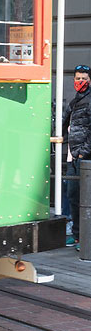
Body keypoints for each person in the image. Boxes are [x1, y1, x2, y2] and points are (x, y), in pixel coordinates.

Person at [64, 64, 91, 249]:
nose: (80, 81)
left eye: (83, 78)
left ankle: (85, 238)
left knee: (85, 198)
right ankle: (76, 235)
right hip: (73, 155)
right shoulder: (75, 101)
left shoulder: (89, 100)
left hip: (83, 156)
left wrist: (84, 151)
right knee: (73, 195)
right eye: (77, 78)